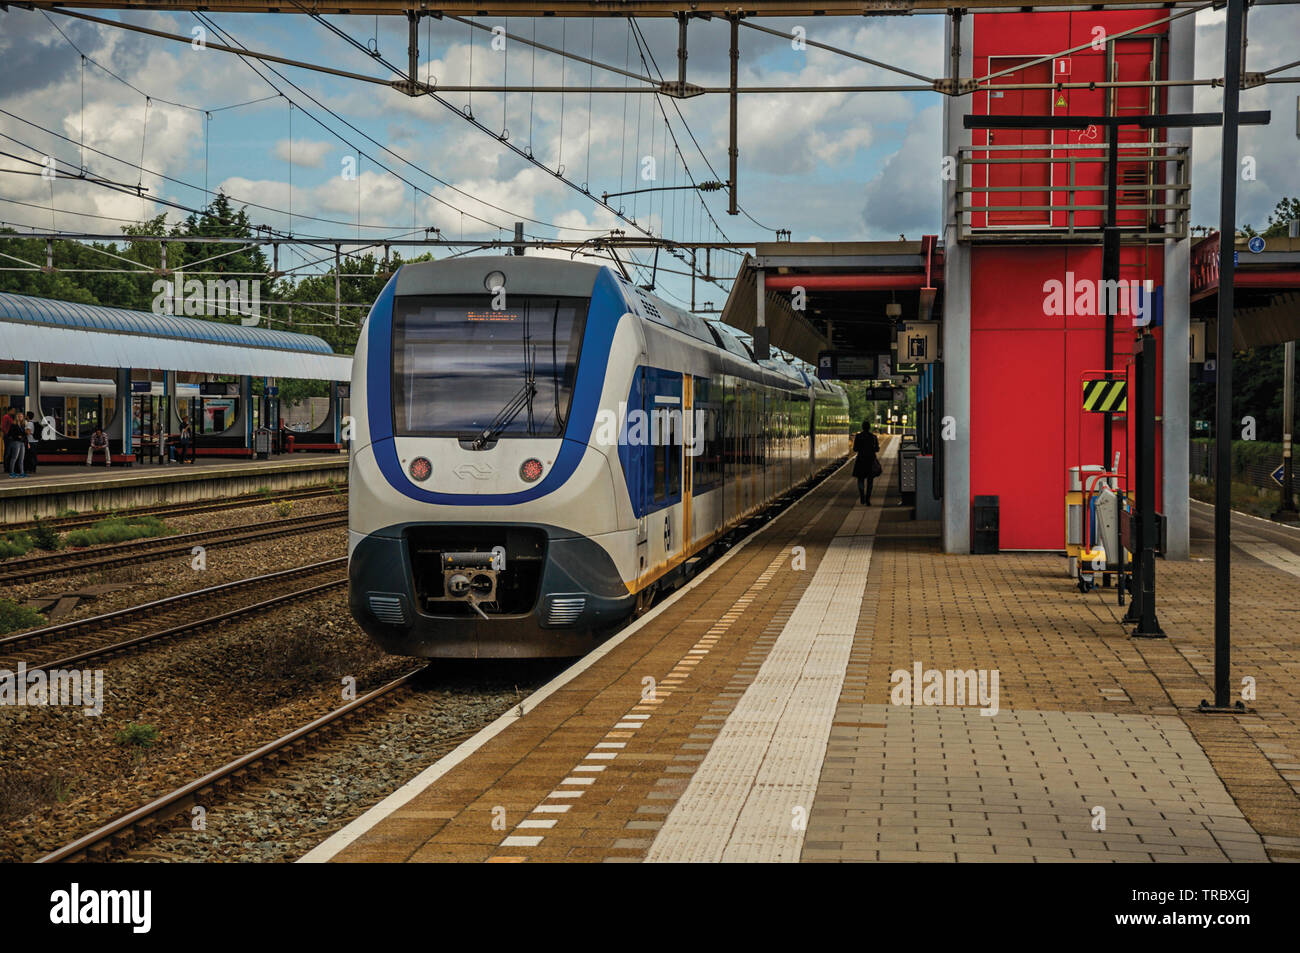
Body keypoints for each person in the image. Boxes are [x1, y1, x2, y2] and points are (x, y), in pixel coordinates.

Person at [852, 419, 881, 505]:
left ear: (862, 427)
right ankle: (868, 499)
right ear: (869, 428)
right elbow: (877, 449)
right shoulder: (873, 437)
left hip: (860, 460)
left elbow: (855, 449)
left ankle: (862, 496)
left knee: (860, 479)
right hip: (871, 460)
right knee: (870, 481)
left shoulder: (858, 436)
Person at [4, 408, 27, 478]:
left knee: (21, 459)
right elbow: (9, 434)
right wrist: (17, 436)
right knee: (14, 458)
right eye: (19, 416)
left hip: (22, 443)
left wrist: (26, 442)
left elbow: (24, 434)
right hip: (15, 442)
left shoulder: (22, 425)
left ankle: (22, 473)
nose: (20, 417)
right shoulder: (13, 425)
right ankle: (11, 473)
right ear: (17, 417)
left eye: (22, 416)